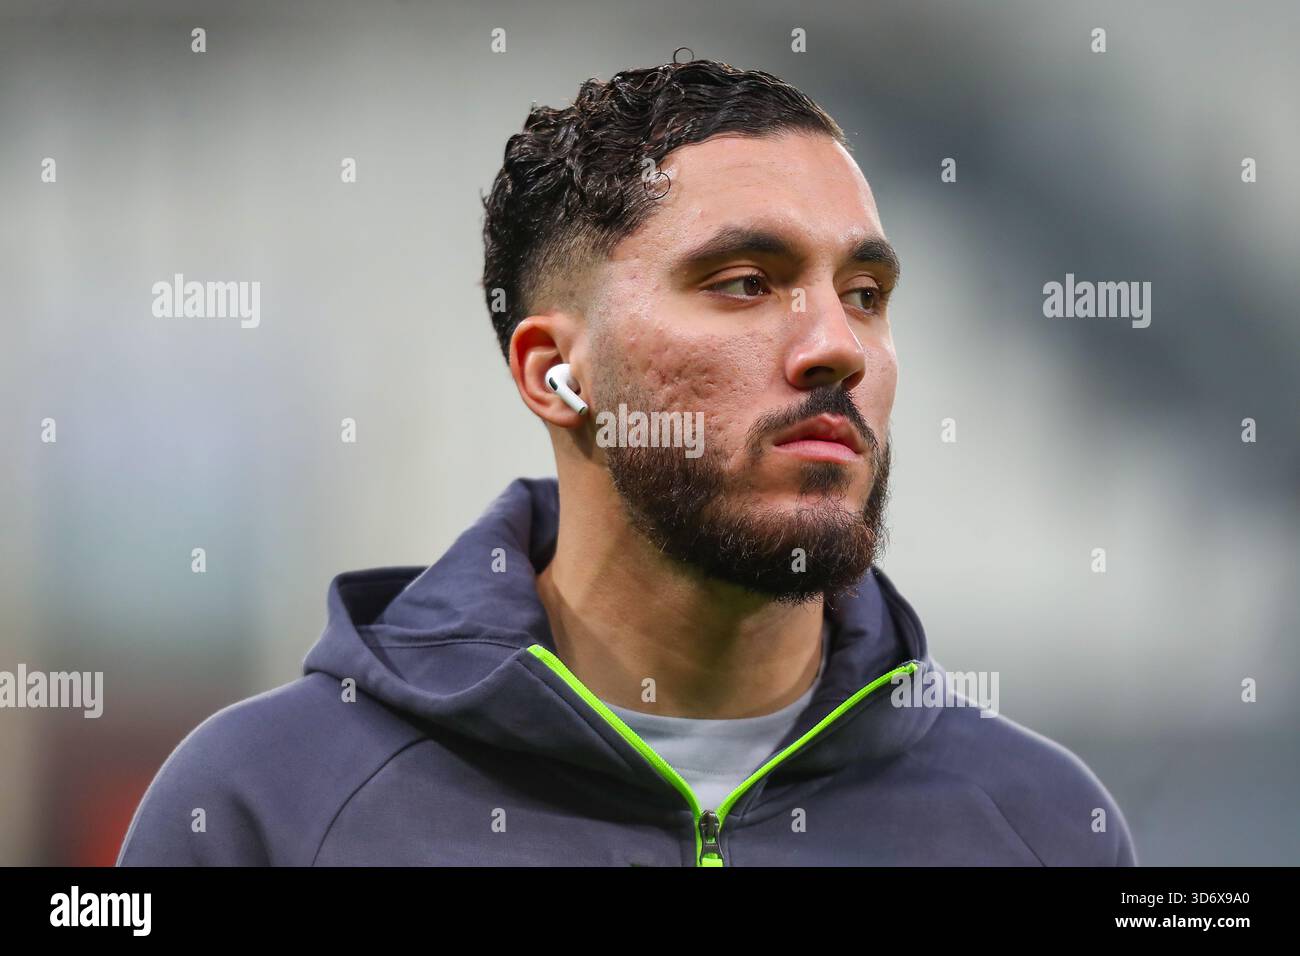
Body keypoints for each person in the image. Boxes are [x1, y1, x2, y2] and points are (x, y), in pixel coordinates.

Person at [118, 57, 1136, 866]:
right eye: (745, 281)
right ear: (557, 374)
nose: (838, 344)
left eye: (864, 293)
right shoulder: (268, 807)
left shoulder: (1043, 826)